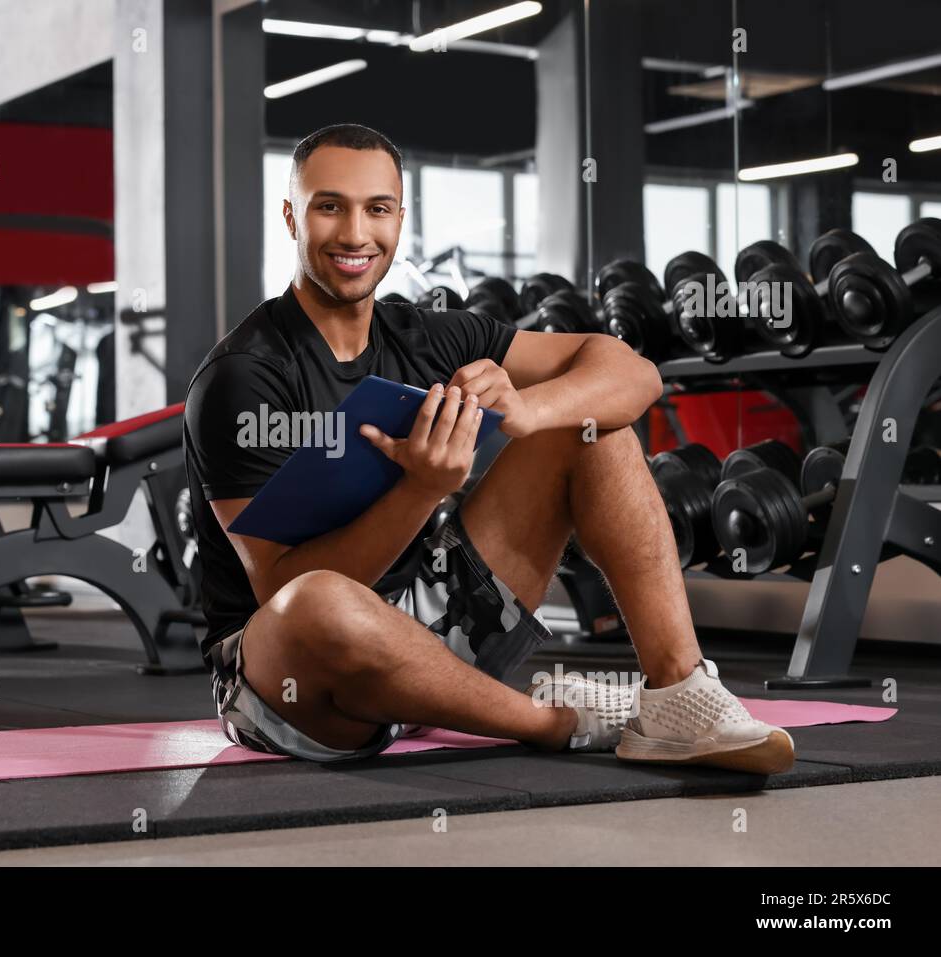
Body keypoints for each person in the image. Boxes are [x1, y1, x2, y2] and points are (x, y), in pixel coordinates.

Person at [183, 123, 794, 775]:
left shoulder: (429, 335)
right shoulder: (244, 376)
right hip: (291, 679)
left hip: (431, 626)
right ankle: (553, 721)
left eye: (377, 209)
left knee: (587, 421)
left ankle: (677, 694)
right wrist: (422, 489)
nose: (356, 233)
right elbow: (281, 585)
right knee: (319, 601)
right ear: (291, 217)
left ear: (399, 219)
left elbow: (631, 372)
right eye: (330, 206)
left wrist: (530, 409)